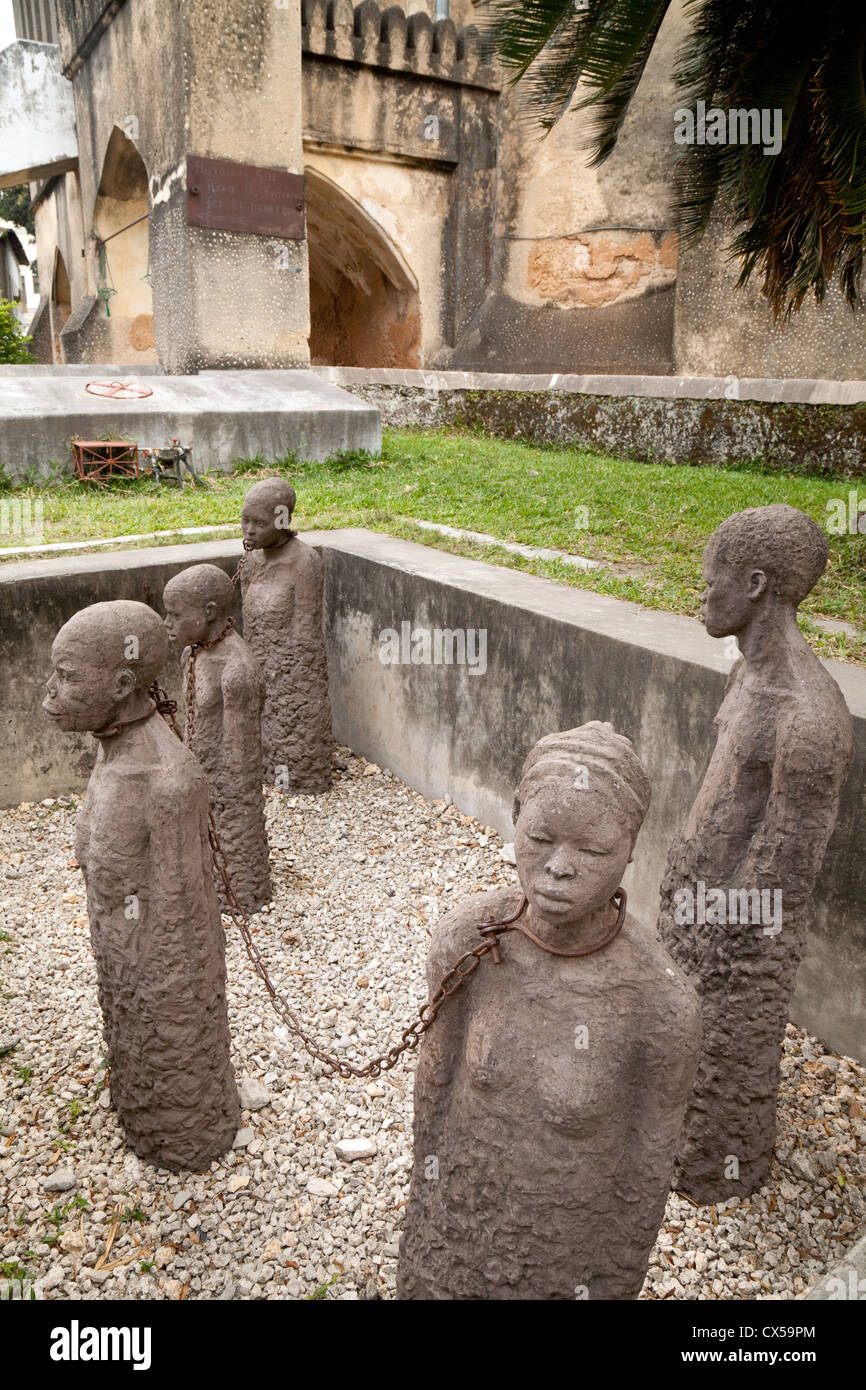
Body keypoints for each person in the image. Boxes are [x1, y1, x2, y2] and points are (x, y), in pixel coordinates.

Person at [398, 722, 700, 1300]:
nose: (560, 867)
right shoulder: (470, 941)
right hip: (453, 1240)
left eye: (592, 849)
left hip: (557, 1270)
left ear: (630, 851)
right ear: (515, 818)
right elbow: (432, 1098)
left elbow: (644, 1181)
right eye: (540, 838)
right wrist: (425, 1225)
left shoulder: (658, 1005)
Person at [659, 505, 853, 1201]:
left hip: (733, 941)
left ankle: (714, 1169)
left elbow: (783, 873)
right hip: (694, 908)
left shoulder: (807, 715)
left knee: (717, 1067)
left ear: (756, 583)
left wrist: (712, 937)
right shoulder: (744, 674)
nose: (700, 595)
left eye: (711, 581)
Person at [43, 600, 239, 1171]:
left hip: (160, 1001)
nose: (50, 692)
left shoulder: (166, 781)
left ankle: (182, 1132)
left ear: (124, 683)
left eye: (67, 677)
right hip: (126, 981)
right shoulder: (113, 752)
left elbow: (184, 934)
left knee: (167, 1091)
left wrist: (169, 1055)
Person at [163, 563, 272, 915]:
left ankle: (238, 890)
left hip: (225, 793)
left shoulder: (237, 670)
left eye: (176, 615)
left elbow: (241, 764)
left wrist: (221, 804)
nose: (168, 624)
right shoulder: (191, 654)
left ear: (209, 612)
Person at [239, 478, 333, 793]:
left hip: (293, 675)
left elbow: (307, 634)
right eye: (245, 520)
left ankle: (300, 776)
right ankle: (269, 770)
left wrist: (292, 689)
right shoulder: (251, 560)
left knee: (291, 737)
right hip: (260, 666)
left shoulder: (305, 562)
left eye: (259, 523)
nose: (249, 530)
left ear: (281, 520)